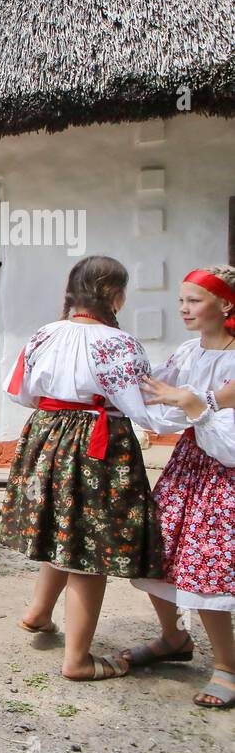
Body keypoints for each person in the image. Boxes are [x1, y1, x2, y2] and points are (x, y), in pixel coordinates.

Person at [1, 256, 162, 681]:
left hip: (47, 436)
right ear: (114, 295)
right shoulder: (119, 343)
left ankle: (38, 613)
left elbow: (18, 391)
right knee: (92, 546)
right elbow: (143, 406)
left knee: (63, 528)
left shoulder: (42, 335)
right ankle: (77, 659)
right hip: (97, 441)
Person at [116, 266, 235, 709]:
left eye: (195, 300)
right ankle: (173, 638)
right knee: (154, 550)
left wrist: (197, 408)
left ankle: (226, 665)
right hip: (188, 466)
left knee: (206, 568)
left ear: (224, 305)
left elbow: (228, 441)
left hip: (223, 474)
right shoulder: (189, 352)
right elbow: (159, 395)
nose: (184, 308)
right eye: (182, 299)